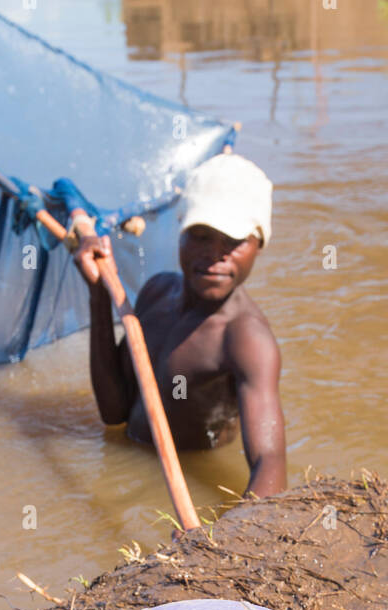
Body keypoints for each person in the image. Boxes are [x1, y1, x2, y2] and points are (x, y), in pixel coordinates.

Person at [73, 153, 287, 498]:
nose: (214, 256)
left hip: (187, 475)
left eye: (233, 243)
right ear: (182, 231)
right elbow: (114, 414)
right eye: (201, 236)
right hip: (131, 461)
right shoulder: (157, 292)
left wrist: (230, 540)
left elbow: (270, 464)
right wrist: (98, 294)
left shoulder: (245, 338)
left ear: (258, 245)